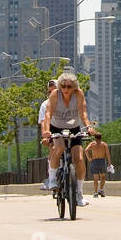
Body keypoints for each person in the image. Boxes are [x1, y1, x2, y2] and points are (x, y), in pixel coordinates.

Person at [40, 71, 95, 207]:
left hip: (73, 127)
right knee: (58, 148)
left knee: (80, 159)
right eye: (63, 86)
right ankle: (52, 178)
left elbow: (83, 113)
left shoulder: (78, 94)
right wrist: (46, 131)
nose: (65, 89)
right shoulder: (55, 95)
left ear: (74, 87)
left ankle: (79, 194)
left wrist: (88, 126)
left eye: (69, 87)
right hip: (56, 127)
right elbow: (48, 114)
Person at [37, 80, 57, 189]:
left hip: (66, 130)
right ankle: (51, 178)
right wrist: (45, 136)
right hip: (52, 131)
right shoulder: (45, 105)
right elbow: (43, 121)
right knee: (53, 149)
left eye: (54, 91)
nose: (51, 94)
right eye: (49, 92)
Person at [84, 132, 110, 197]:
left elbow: (86, 150)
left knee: (96, 178)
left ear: (95, 138)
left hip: (95, 161)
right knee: (103, 176)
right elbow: (108, 154)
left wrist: (89, 158)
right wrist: (109, 163)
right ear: (101, 137)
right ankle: (100, 190)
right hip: (102, 160)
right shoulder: (104, 144)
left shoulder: (93, 144)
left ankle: (96, 192)